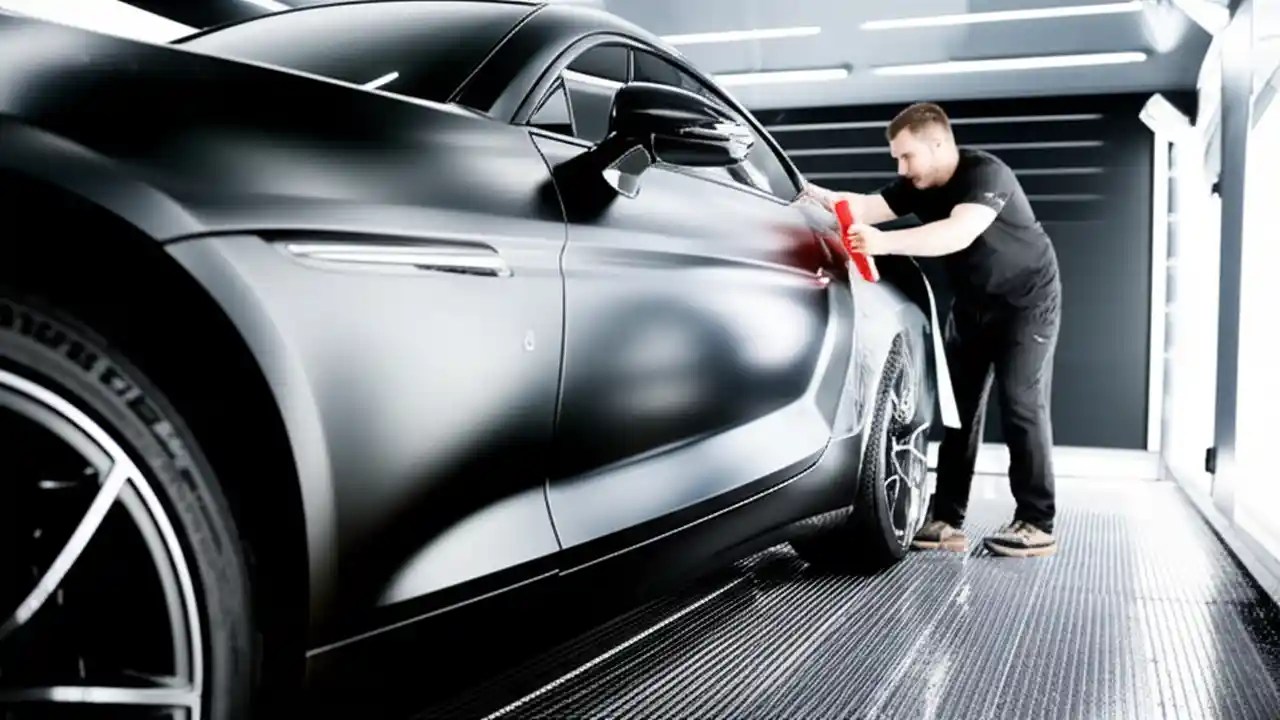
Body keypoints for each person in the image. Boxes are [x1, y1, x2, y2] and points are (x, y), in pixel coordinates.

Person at [795, 102, 1061, 558]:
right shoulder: (917, 184)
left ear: (937, 144)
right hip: (974, 305)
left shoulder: (985, 175)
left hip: (1027, 303)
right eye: (897, 158)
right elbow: (860, 206)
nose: (900, 167)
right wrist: (801, 190)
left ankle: (1037, 522)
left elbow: (957, 234)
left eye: (906, 156)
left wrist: (884, 243)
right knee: (959, 414)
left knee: (1021, 403)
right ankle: (946, 519)